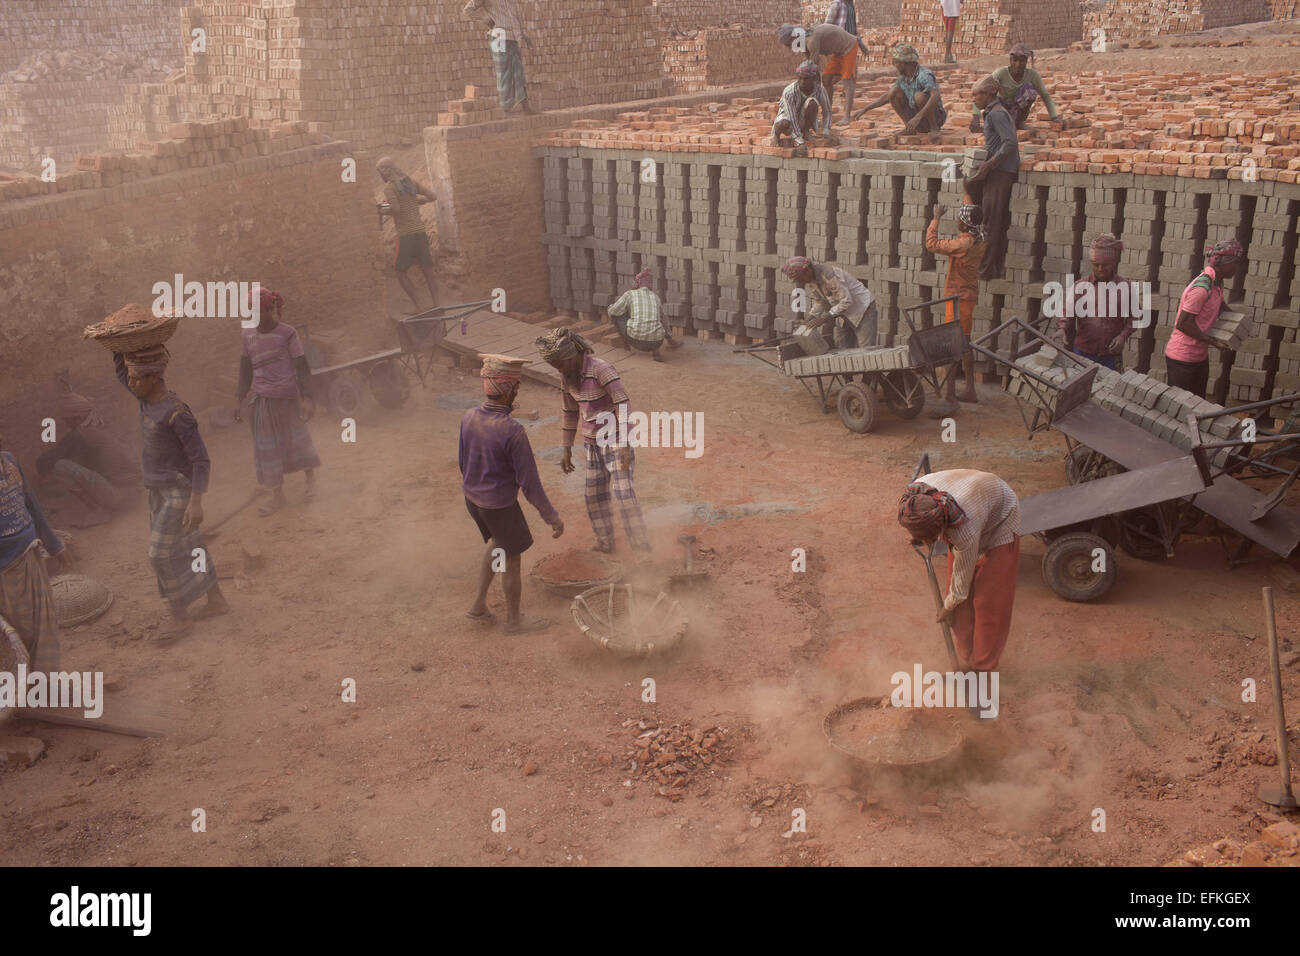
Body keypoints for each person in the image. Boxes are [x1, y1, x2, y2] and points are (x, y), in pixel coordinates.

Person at [113, 346, 229, 640]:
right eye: (131, 378)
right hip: (158, 490)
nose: (131, 383)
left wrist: (197, 502)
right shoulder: (145, 400)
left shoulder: (177, 414)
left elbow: (201, 460)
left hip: (179, 492)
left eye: (136, 379)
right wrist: (117, 344)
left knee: (159, 554)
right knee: (192, 545)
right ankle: (217, 600)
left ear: (154, 377)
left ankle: (180, 617)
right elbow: (121, 372)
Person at [460, 354, 564, 635]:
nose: (517, 393)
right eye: (516, 388)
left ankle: (479, 605)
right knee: (512, 558)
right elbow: (529, 484)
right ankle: (514, 621)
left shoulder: (469, 417)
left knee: (498, 544)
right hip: (499, 506)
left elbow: (463, 461)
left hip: (473, 499)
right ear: (507, 391)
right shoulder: (512, 431)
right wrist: (551, 516)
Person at [898, 470, 1020, 681]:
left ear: (943, 526)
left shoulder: (964, 531)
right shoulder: (914, 497)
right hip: (975, 502)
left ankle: (982, 669)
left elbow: (961, 583)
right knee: (957, 604)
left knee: (988, 602)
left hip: (1001, 516)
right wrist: (918, 536)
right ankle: (966, 660)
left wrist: (947, 606)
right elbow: (957, 591)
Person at [535, 328, 650, 554]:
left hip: (616, 440)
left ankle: (641, 546)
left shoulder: (602, 369)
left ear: (573, 355)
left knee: (623, 492)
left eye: (561, 364)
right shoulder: (566, 378)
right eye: (554, 366)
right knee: (594, 496)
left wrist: (626, 443)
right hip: (591, 445)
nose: (558, 369)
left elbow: (622, 403)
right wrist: (566, 449)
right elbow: (569, 412)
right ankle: (606, 544)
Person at [233, 288, 321, 516]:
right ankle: (277, 496)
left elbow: (302, 367)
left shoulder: (288, 334)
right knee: (268, 450)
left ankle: (311, 483)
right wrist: (238, 399)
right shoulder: (247, 336)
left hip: (288, 399)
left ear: (270, 309)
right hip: (263, 401)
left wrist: (308, 398)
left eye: (257, 311)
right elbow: (245, 370)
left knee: (300, 442)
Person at [0, 430, 70, 674]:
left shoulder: (9, 460)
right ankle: (23, 684)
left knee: (43, 624)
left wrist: (54, 544)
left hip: (31, 553)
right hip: (5, 567)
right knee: (20, 631)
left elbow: (31, 503)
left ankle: (45, 680)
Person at [35, 392, 138, 522]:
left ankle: (99, 511)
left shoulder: (79, 434)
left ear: (76, 418)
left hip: (119, 496)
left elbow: (44, 463)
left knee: (61, 466)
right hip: (135, 493)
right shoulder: (101, 425)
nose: (65, 423)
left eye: (67, 419)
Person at [1163, 239, 1245, 400]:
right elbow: (1183, 324)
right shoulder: (1202, 288)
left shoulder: (1217, 283)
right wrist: (1214, 342)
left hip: (1199, 357)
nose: (1237, 267)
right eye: (1234, 263)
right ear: (1223, 264)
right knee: (1181, 406)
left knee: (1198, 402)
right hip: (1182, 359)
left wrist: (1240, 324)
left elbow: (1221, 306)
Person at [925, 202, 985, 405]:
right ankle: (970, 390)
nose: (957, 221)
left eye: (960, 218)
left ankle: (950, 396)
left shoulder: (963, 244)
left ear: (966, 223)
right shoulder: (979, 238)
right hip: (968, 297)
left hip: (958, 298)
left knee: (952, 345)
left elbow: (931, 244)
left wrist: (936, 218)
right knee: (965, 343)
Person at [1059, 234, 1137, 371]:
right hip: (1082, 352)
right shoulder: (1080, 286)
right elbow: (1068, 312)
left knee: (1108, 390)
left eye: (1105, 265)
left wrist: (1122, 336)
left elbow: (1136, 316)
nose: (1100, 269)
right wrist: (1062, 328)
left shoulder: (1125, 287)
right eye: (1096, 265)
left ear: (1114, 262)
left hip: (1110, 355)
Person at [968, 75, 1019, 280]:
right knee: (991, 218)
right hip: (997, 171)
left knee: (991, 221)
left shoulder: (996, 114)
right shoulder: (991, 113)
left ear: (989, 94)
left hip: (1001, 172)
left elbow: (1009, 143)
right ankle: (992, 267)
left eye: (977, 94)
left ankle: (986, 270)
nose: (974, 98)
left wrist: (989, 164)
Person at [376, 157, 438, 314]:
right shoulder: (410, 182)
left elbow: (396, 209)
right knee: (428, 270)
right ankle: (437, 304)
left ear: (385, 172)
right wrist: (417, 201)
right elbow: (432, 196)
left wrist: (381, 212)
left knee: (400, 273)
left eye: (380, 173)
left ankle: (419, 306)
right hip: (420, 232)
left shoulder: (390, 188)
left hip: (406, 235)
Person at [781, 256, 876, 350]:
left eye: (801, 279)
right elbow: (820, 301)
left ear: (808, 271)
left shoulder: (828, 275)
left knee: (866, 349)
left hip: (862, 309)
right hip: (842, 312)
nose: (802, 282)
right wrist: (810, 318)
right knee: (841, 346)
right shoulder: (811, 279)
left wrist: (824, 317)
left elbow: (846, 301)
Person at [852, 44, 946, 135]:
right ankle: (909, 128)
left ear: (903, 63)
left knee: (919, 96)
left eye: (895, 62)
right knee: (893, 92)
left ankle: (934, 128)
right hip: (916, 121)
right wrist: (865, 109)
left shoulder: (924, 75)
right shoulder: (903, 77)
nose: (894, 65)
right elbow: (887, 96)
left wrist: (918, 117)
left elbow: (935, 95)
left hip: (935, 118)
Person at [970, 43, 1059, 132]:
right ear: (1010, 60)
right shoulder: (1001, 73)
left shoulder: (1033, 75)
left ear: (1026, 61)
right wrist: (975, 118)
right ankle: (994, 124)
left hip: (1016, 111)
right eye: (1015, 60)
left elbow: (1045, 95)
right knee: (991, 94)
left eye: (1022, 61)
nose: (1018, 64)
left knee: (1030, 91)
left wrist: (1054, 117)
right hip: (1000, 108)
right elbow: (980, 91)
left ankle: (1019, 122)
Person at [464, 0, 534, 113]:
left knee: (518, 71)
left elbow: (515, 15)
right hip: (499, 36)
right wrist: (487, 20)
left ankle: (525, 106)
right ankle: (506, 107)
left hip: (514, 36)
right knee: (504, 72)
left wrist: (523, 34)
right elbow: (468, 9)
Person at [606, 268, 681, 361]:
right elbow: (664, 320)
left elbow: (613, 311)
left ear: (637, 283)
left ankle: (626, 348)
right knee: (656, 319)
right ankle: (656, 352)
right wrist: (670, 339)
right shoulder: (656, 297)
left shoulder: (630, 294)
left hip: (636, 341)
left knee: (617, 314)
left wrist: (610, 308)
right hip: (657, 342)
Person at [771, 60, 834, 157]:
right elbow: (791, 116)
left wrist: (826, 129)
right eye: (800, 78)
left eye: (806, 79)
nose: (802, 82)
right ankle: (776, 136)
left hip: (802, 119)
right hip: (787, 119)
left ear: (813, 78)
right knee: (783, 123)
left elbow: (827, 111)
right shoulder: (789, 92)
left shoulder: (820, 90)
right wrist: (799, 141)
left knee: (812, 103)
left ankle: (805, 131)